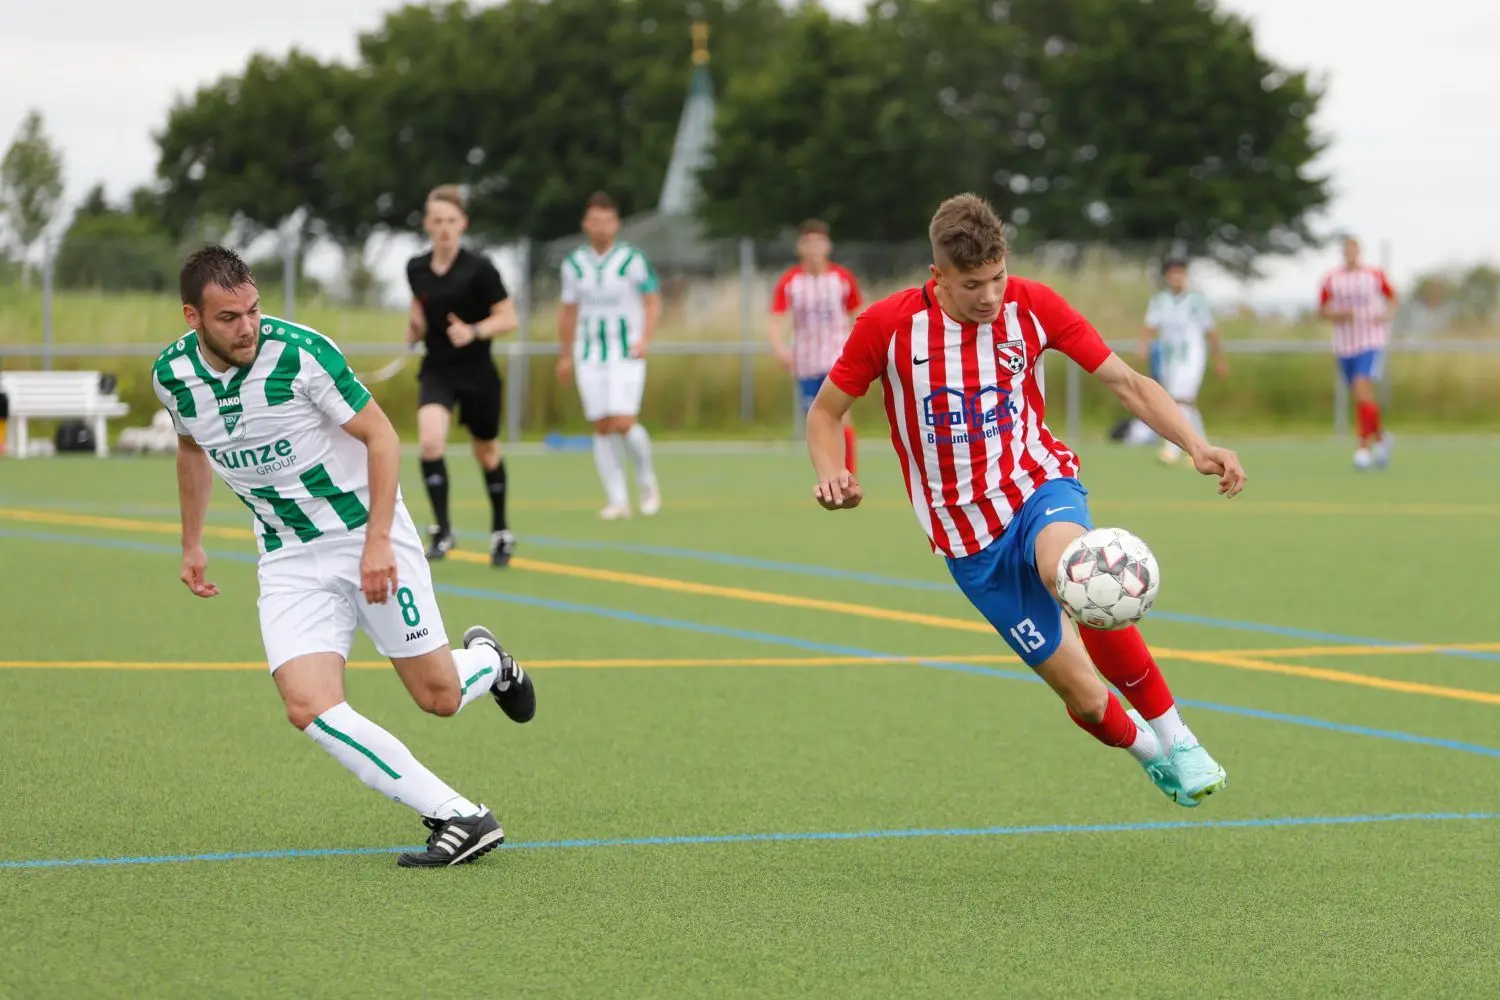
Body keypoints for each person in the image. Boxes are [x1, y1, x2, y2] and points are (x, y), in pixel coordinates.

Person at [806, 194, 1246, 807]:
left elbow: (1126, 383)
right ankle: (1150, 752)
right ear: (938, 278)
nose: (989, 296)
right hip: (967, 539)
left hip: (1037, 485)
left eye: (997, 277)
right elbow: (826, 413)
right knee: (1087, 700)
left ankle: (1181, 737)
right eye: (971, 285)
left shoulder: (1034, 305)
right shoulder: (887, 326)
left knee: (1080, 570)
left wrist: (1196, 445)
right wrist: (833, 473)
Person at [152, 245, 536, 868]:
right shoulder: (171, 376)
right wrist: (192, 541)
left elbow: (382, 437)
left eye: (252, 309)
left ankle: (489, 662)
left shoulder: (302, 354)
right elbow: (191, 449)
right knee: (307, 704)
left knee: (437, 696)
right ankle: (458, 815)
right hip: (287, 558)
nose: (246, 326)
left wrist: (379, 542)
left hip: (366, 536)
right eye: (228, 318)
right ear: (192, 317)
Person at [405, 185, 518, 564]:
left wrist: (474, 331)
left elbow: (508, 318)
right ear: (427, 224)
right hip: (437, 369)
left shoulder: (480, 270)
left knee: (486, 451)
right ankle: (443, 529)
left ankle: (501, 530)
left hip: (477, 372)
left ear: (463, 223)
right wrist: (415, 326)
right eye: (437, 221)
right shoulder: (415, 268)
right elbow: (421, 306)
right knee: (431, 443)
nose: (444, 228)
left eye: (451, 221)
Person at [556, 192, 663, 520]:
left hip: (625, 350)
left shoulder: (632, 259)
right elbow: (569, 311)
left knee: (623, 420)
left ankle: (646, 480)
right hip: (589, 354)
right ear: (585, 224)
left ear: (616, 223)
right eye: (594, 220)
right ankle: (617, 499)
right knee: (602, 425)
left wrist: (645, 338)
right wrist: (564, 355)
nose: (600, 227)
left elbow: (652, 301)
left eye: (607, 220)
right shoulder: (574, 264)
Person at [769, 220, 863, 472]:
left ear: (828, 246)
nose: (814, 248)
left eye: (818, 242)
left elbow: (857, 314)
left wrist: (856, 348)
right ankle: (828, 473)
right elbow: (776, 317)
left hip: (837, 358)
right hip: (806, 361)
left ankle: (848, 472)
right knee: (816, 419)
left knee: (842, 415)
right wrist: (779, 347)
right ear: (800, 247)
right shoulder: (790, 281)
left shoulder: (842, 279)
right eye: (808, 242)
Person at [1140, 258, 1228, 465]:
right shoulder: (1160, 300)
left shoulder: (1196, 301)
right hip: (1170, 357)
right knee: (1181, 401)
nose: (1176, 277)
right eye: (1173, 273)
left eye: (1180, 273)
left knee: (1181, 398)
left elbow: (1210, 330)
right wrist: (1143, 345)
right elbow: (1150, 325)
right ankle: (1204, 447)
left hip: (1192, 356)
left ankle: (1172, 449)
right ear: (1167, 276)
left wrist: (1219, 358)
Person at [1319, 237, 1397, 470]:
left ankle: (1363, 446)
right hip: (1344, 345)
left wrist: (1387, 314)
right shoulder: (1332, 279)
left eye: (1353, 249)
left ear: (1359, 251)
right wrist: (1338, 315)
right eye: (1346, 250)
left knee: (1362, 387)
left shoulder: (1374, 275)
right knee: (1362, 397)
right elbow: (1322, 310)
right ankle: (1382, 438)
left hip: (1370, 342)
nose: (1350, 253)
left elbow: (1393, 298)